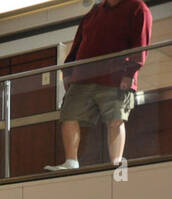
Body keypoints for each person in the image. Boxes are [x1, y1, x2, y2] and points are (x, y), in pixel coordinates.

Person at [45, 0, 152, 172]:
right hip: (83, 77)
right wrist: (68, 72)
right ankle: (71, 161)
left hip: (116, 76)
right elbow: (79, 44)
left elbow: (141, 43)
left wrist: (129, 73)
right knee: (68, 115)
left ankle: (116, 163)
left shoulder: (137, 8)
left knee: (116, 119)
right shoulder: (94, 13)